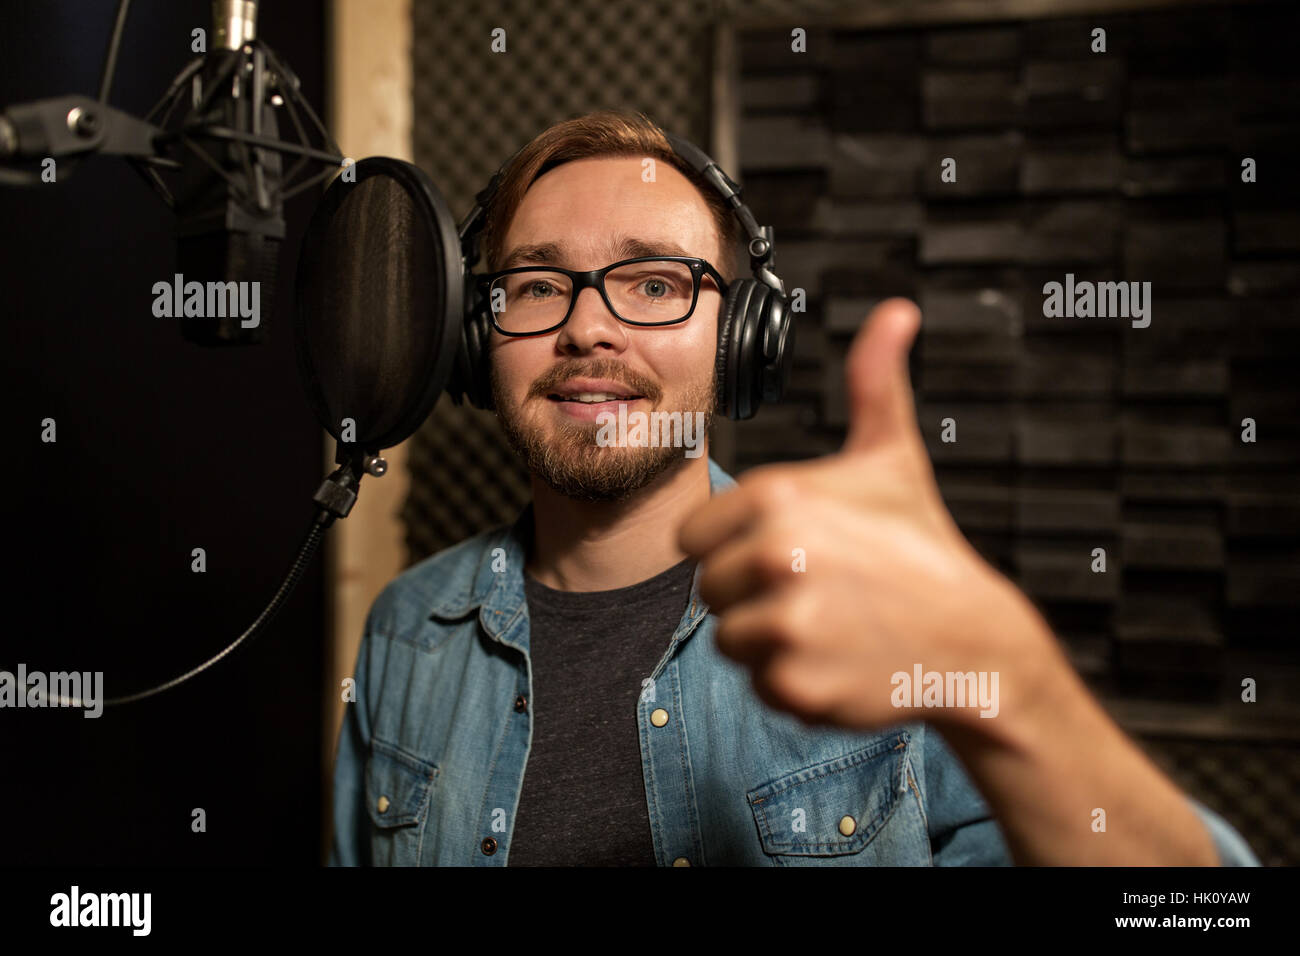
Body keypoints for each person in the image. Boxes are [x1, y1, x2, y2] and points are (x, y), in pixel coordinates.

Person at [329, 109, 1258, 866]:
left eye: (653, 283)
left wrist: (1010, 678)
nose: (587, 330)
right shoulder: (407, 631)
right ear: (472, 342)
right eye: (537, 285)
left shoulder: (873, 617)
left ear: (743, 342)